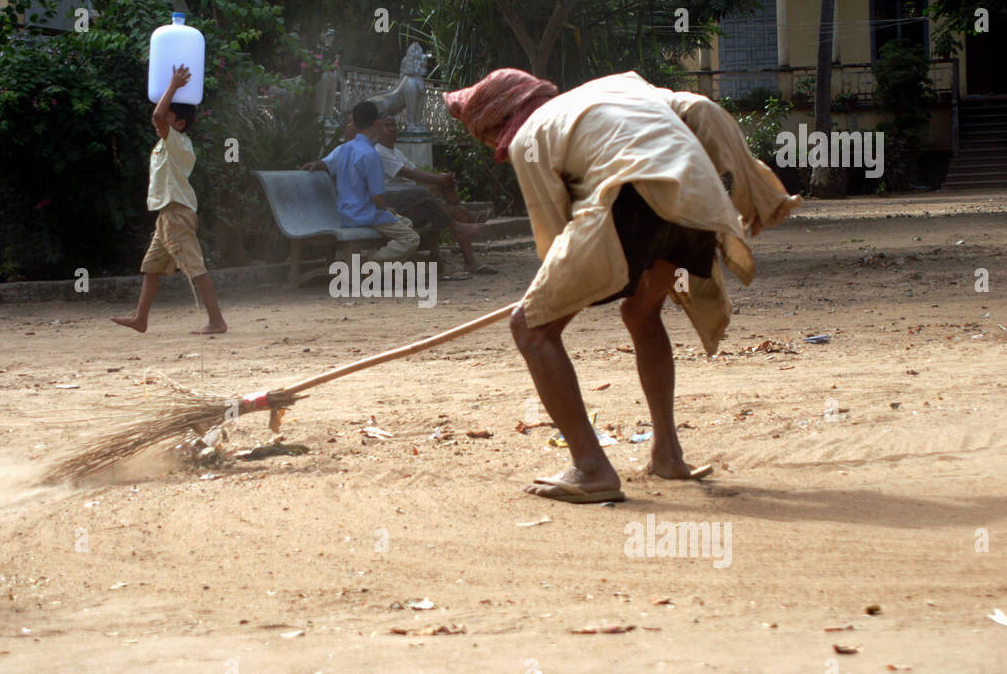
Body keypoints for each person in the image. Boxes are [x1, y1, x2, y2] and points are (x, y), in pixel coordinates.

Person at [444, 68, 800, 504]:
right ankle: (668, 453)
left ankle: (591, 467)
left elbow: (553, 230)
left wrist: (553, 291)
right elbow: (701, 109)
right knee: (640, 310)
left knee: (531, 329)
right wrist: (757, 191)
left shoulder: (529, 137)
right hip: (695, 200)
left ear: (497, 122)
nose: (493, 150)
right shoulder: (616, 86)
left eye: (485, 139)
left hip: (632, 202)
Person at [112, 65, 227, 335]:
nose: (163, 120)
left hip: (176, 215)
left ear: (180, 123)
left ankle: (216, 321)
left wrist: (174, 85)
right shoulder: (167, 143)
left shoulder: (178, 142)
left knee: (195, 267)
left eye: (170, 116)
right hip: (167, 215)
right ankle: (141, 318)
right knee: (151, 267)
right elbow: (160, 117)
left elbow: (157, 115)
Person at [374, 115, 497, 276]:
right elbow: (411, 174)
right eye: (386, 125)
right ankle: (467, 233)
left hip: (412, 198)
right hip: (398, 201)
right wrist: (440, 179)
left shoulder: (396, 152)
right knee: (445, 202)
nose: (391, 129)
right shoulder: (379, 152)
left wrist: (442, 179)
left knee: (446, 194)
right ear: (377, 130)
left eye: (393, 125)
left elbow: (416, 171)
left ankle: (469, 256)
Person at [321, 101, 420, 262]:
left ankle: (387, 270)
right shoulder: (370, 154)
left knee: (405, 222)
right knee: (411, 238)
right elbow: (377, 198)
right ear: (377, 122)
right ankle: (369, 263)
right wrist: (386, 208)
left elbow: (326, 165)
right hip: (364, 214)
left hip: (345, 211)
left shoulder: (344, 148)